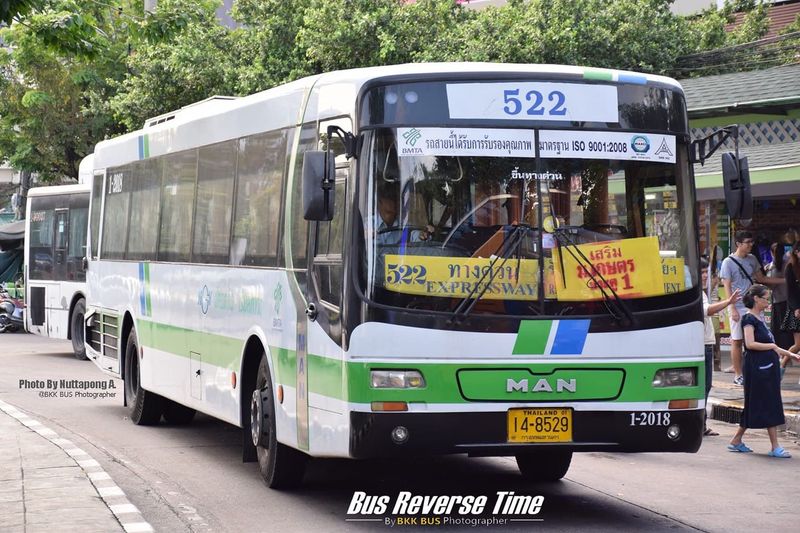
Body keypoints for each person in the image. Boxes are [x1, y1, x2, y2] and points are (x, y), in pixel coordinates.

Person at [727, 285, 799, 458]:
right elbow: (750, 344)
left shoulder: (759, 319)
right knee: (769, 403)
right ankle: (775, 446)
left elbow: (773, 346)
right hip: (758, 368)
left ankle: (736, 440)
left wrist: (790, 354)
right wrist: (772, 346)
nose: (768, 301)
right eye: (766, 298)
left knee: (757, 403)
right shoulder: (748, 319)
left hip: (767, 367)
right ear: (756, 299)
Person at [720, 231, 784, 386]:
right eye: (747, 242)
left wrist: (785, 280)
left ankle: (754, 370)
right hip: (737, 305)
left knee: (757, 338)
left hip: (752, 305)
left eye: (751, 242)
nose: (750, 245)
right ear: (738, 244)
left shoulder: (752, 259)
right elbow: (727, 286)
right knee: (737, 340)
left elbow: (761, 278)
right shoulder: (728, 262)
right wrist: (732, 307)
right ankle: (738, 375)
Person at [701, 258, 740, 436]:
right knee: (703, 386)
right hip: (702, 345)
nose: (705, 276)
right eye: (701, 273)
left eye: (706, 273)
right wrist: (728, 302)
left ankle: (701, 424)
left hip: (706, 343)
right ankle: (699, 425)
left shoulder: (701, 293)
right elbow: (707, 310)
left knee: (706, 386)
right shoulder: (695, 294)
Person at [782, 241, 800, 381]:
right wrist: (796, 308)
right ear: (796, 252)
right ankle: (781, 365)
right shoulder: (791, 268)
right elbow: (790, 292)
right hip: (796, 310)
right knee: (798, 344)